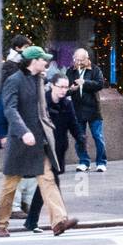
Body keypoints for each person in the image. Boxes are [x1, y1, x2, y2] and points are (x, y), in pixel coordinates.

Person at [0, 48, 77, 238]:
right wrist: (23, 132)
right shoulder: (13, 81)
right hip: (19, 141)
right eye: (43, 60)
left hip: (39, 141)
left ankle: (59, 221)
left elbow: (42, 108)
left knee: (48, 180)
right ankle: (1, 224)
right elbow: (10, 109)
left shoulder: (39, 79)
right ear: (33, 61)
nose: (46, 63)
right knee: (9, 186)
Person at [24, 73, 87, 233]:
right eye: (61, 87)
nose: (63, 90)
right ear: (52, 85)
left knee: (45, 185)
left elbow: (73, 124)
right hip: (43, 150)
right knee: (52, 183)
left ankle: (31, 221)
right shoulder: (42, 102)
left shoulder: (67, 104)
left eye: (66, 87)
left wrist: (80, 136)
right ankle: (59, 221)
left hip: (58, 151)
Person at [0, 35, 33, 219]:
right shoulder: (12, 72)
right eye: (25, 47)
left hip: (23, 132)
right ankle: (14, 207)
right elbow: (2, 108)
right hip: (15, 133)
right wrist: (2, 134)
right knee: (15, 172)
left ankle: (23, 203)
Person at [67, 48, 108, 173]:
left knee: (98, 136)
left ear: (87, 59)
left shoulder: (95, 70)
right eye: (76, 60)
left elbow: (100, 84)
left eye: (81, 60)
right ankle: (84, 161)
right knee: (80, 137)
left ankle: (101, 162)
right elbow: (65, 88)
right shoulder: (71, 71)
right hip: (77, 109)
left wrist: (85, 82)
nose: (78, 62)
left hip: (93, 109)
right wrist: (72, 90)